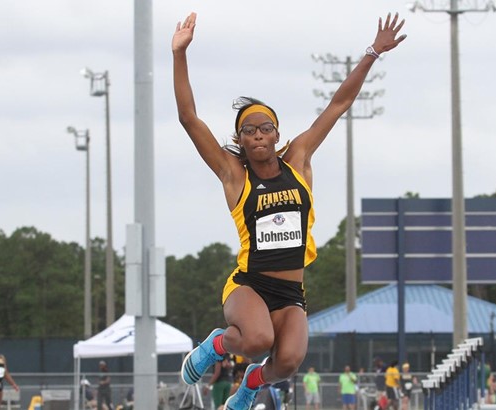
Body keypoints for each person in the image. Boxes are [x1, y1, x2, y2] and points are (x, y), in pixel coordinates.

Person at [172, 10, 407, 410]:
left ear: (277, 134)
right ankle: (215, 344)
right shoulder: (234, 175)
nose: (258, 135)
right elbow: (189, 119)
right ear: (240, 140)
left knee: (288, 362)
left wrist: (372, 52)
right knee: (257, 340)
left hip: (290, 290)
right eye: (249, 130)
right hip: (249, 284)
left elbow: (339, 104)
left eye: (265, 128)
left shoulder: (298, 160)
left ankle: (250, 385)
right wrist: (180, 54)